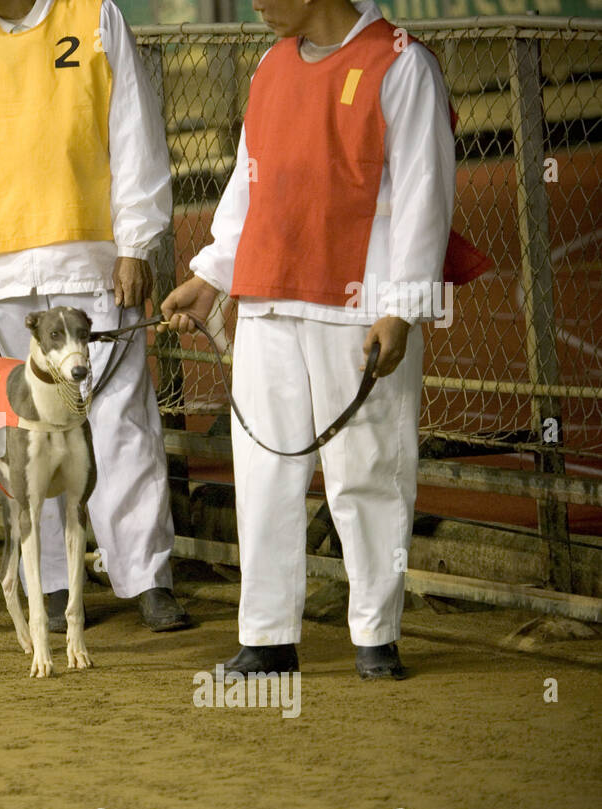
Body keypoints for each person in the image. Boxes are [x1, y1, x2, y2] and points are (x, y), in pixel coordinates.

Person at [159, 0, 459, 679]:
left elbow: (424, 193)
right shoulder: (269, 67)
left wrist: (404, 309)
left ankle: (376, 633)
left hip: (359, 307)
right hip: (267, 301)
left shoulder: (402, 63)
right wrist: (212, 276)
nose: (257, 2)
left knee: (369, 470)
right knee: (264, 471)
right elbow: (246, 192)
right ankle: (267, 635)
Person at [0, 0, 191, 633]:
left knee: (120, 421)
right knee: (28, 439)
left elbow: (134, 136)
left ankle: (147, 576)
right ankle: (58, 588)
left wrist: (135, 245)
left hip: (90, 265)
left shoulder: (94, 15)